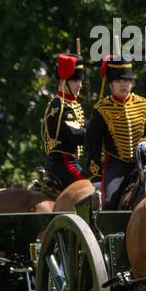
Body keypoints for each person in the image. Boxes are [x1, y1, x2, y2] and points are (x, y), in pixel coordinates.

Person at [83, 54, 146, 210]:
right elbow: (92, 146)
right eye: (118, 81)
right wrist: (95, 178)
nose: (123, 85)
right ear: (111, 84)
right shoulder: (101, 110)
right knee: (109, 202)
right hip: (116, 164)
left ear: (132, 82)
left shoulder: (145, 106)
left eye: (126, 81)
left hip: (144, 161)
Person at [41, 49, 88, 191]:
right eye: (75, 80)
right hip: (63, 162)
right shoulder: (61, 106)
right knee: (89, 188)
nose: (79, 84)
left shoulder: (70, 104)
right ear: (63, 81)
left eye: (80, 80)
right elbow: (76, 135)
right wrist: (98, 132)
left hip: (69, 161)